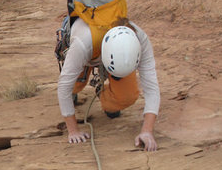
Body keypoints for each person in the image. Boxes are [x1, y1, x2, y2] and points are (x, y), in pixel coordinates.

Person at [57, 17, 160, 150]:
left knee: (126, 96)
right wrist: (73, 131)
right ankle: (75, 91)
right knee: (74, 86)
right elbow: (63, 86)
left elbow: (152, 87)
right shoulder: (83, 44)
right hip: (87, 50)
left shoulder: (140, 41)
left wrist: (147, 131)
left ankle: (102, 92)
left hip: (113, 57)